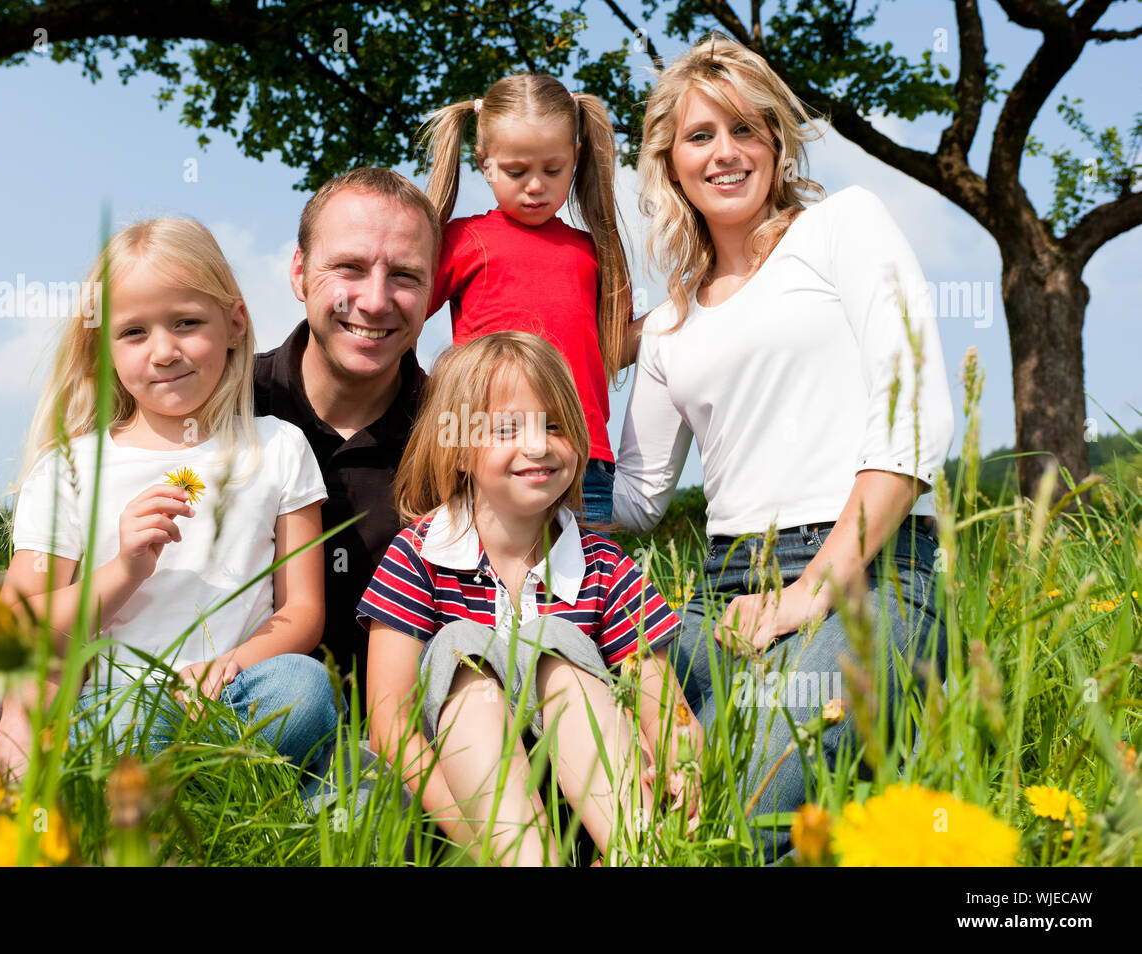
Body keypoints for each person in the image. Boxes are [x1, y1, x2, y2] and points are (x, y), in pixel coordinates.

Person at [0, 219, 341, 854]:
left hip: (229, 694)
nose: (163, 351)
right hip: (95, 699)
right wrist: (123, 570)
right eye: (133, 332)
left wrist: (227, 667)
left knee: (303, 691)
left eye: (186, 322)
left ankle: (85, 792)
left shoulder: (277, 447)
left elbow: (301, 609)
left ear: (236, 323)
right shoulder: (72, 466)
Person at [612, 36, 955, 862]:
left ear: (776, 142)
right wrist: (507, 461)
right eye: (700, 136)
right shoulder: (668, 322)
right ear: (669, 160)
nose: (725, 153)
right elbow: (635, 499)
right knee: (589, 722)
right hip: (720, 597)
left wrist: (810, 591)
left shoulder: (842, 226)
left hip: (874, 576)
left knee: (763, 789)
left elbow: (916, 416)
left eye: (746, 129)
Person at [361, 331, 702, 866]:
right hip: (455, 806)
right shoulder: (418, 556)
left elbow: (665, 708)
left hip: (587, 796)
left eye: (555, 426)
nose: (539, 446)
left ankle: (642, 854)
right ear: (458, 453)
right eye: (506, 429)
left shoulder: (605, 566)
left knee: (553, 642)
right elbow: (390, 724)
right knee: (460, 646)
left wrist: (681, 769)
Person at [419, 75, 640, 527]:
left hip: (583, 457)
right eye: (517, 172)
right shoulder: (463, 240)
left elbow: (609, 352)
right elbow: (402, 323)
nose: (536, 186)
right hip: (484, 452)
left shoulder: (594, 251)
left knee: (583, 590)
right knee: (481, 592)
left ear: (576, 159)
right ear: (485, 164)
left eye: (552, 170)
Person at [253, 168, 436, 689]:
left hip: (411, 749)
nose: (376, 301)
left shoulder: (464, 438)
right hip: (230, 738)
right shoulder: (218, 410)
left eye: (404, 274)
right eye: (350, 268)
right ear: (300, 273)